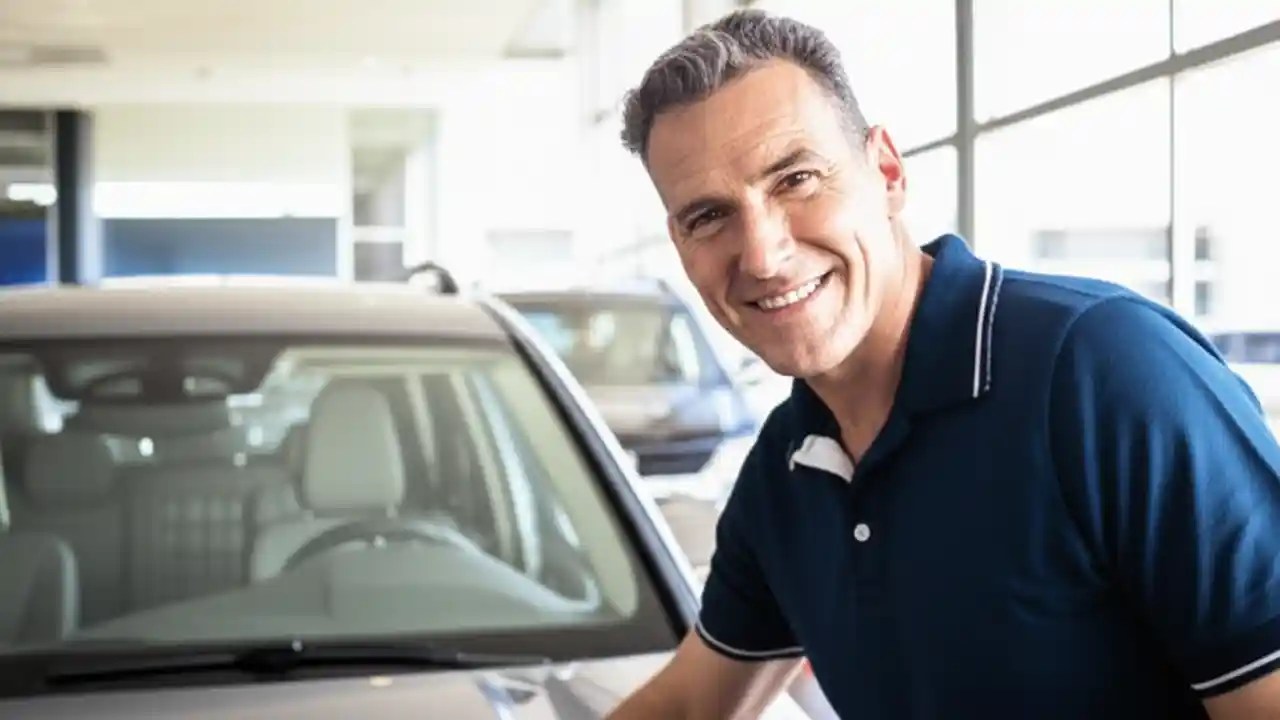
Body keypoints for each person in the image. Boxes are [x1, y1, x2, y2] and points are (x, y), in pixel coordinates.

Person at [605, 9, 1280, 720]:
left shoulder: (1105, 371)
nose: (763, 256)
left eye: (796, 179)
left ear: (887, 172)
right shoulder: (787, 468)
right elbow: (687, 705)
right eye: (708, 217)